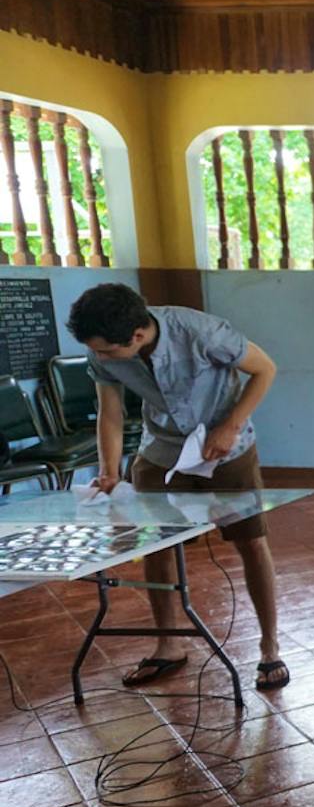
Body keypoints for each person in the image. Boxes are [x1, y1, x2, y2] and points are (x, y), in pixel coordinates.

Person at [67, 283, 289, 690]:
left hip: (226, 447)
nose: (99, 357)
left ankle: (270, 647)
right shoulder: (103, 347)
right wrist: (108, 468)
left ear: (136, 336)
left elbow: (265, 369)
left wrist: (230, 426)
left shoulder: (200, 331)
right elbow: (110, 412)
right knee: (155, 542)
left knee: (251, 540)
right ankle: (168, 644)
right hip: (162, 448)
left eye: (107, 351)